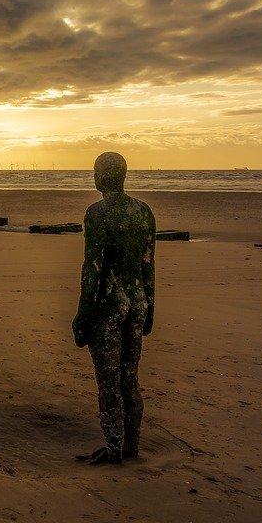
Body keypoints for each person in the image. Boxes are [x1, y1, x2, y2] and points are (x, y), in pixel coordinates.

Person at [72, 151, 155, 465]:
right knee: (129, 377)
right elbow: (148, 265)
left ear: (101, 177)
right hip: (136, 303)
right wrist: (150, 308)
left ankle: (114, 447)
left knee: (108, 380)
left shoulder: (97, 213)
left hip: (110, 305)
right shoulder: (144, 212)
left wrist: (82, 316)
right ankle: (131, 444)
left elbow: (92, 269)